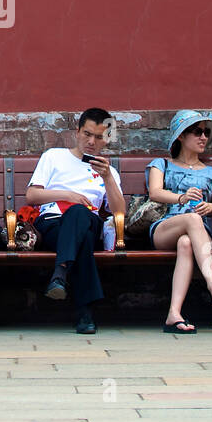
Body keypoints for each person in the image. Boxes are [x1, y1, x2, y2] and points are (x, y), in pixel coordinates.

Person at [26, 107, 126, 335]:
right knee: (81, 237)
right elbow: (32, 196)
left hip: (89, 224)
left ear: (106, 140)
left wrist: (108, 177)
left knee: (80, 215)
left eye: (98, 137)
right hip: (52, 224)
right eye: (87, 134)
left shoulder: (108, 172)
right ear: (77, 132)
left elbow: (119, 213)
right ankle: (84, 313)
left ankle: (60, 274)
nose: (91, 141)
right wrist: (68, 196)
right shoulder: (54, 156)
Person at [148, 110, 212, 333]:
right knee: (192, 219)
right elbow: (155, 193)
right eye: (197, 132)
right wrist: (181, 197)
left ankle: (173, 314)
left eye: (206, 132)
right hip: (165, 227)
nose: (204, 137)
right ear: (180, 136)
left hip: (198, 235)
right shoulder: (162, 164)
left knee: (186, 243)